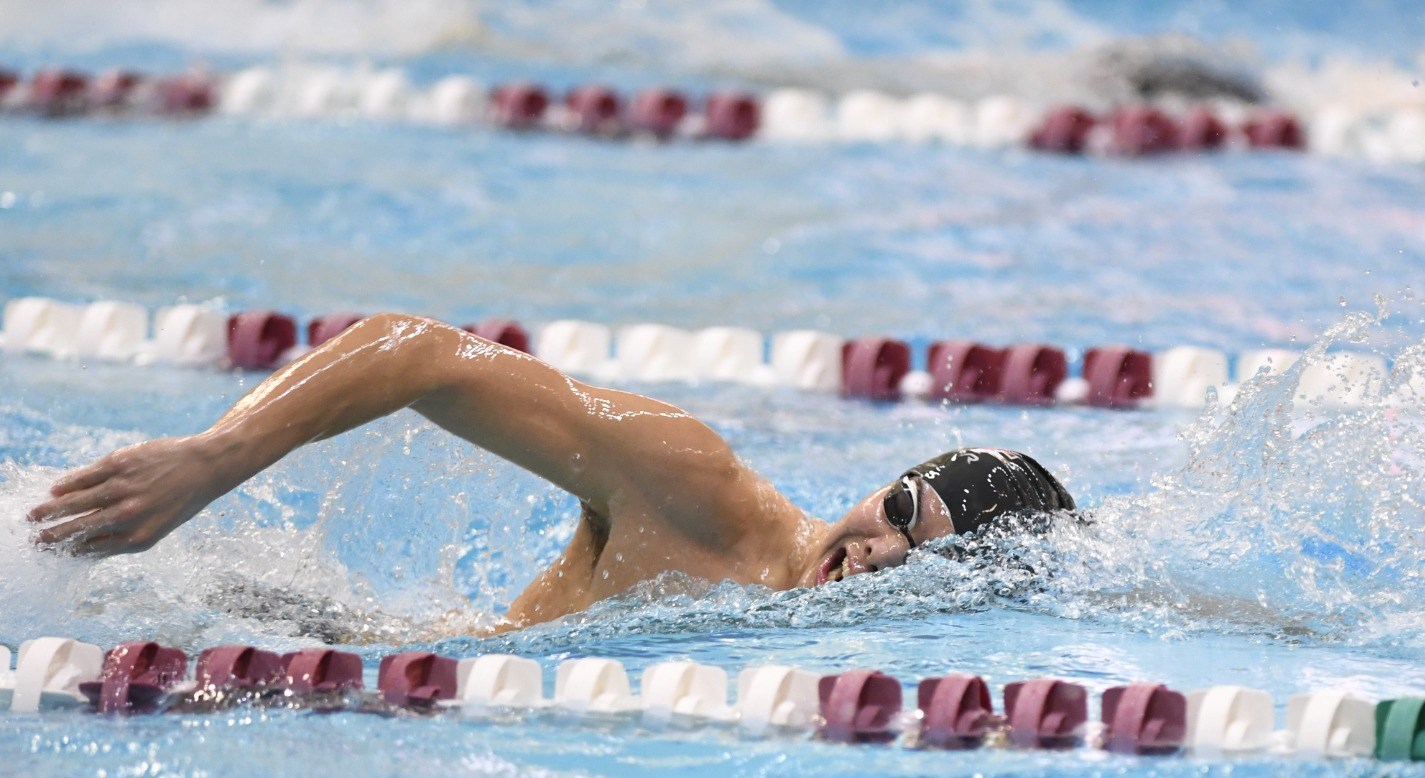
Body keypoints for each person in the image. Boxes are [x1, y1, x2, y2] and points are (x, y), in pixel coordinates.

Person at [26, 314, 1077, 631]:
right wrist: (212, 459)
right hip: (285, 639)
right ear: (883, 478)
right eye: (900, 507)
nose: (880, 550)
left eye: (921, 557)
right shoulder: (696, 488)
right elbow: (417, 350)